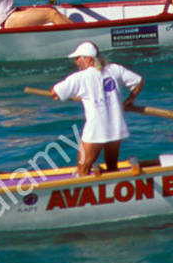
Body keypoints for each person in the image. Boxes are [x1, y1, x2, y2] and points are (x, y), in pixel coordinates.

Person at [48, 41, 143, 176]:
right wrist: (129, 101)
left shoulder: (80, 78)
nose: (76, 62)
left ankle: (84, 192)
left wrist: (59, 93)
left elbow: (54, 93)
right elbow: (139, 82)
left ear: (87, 59)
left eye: (77, 58)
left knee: (83, 169)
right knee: (112, 167)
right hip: (116, 128)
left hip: (95, 131)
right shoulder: (115, 69)